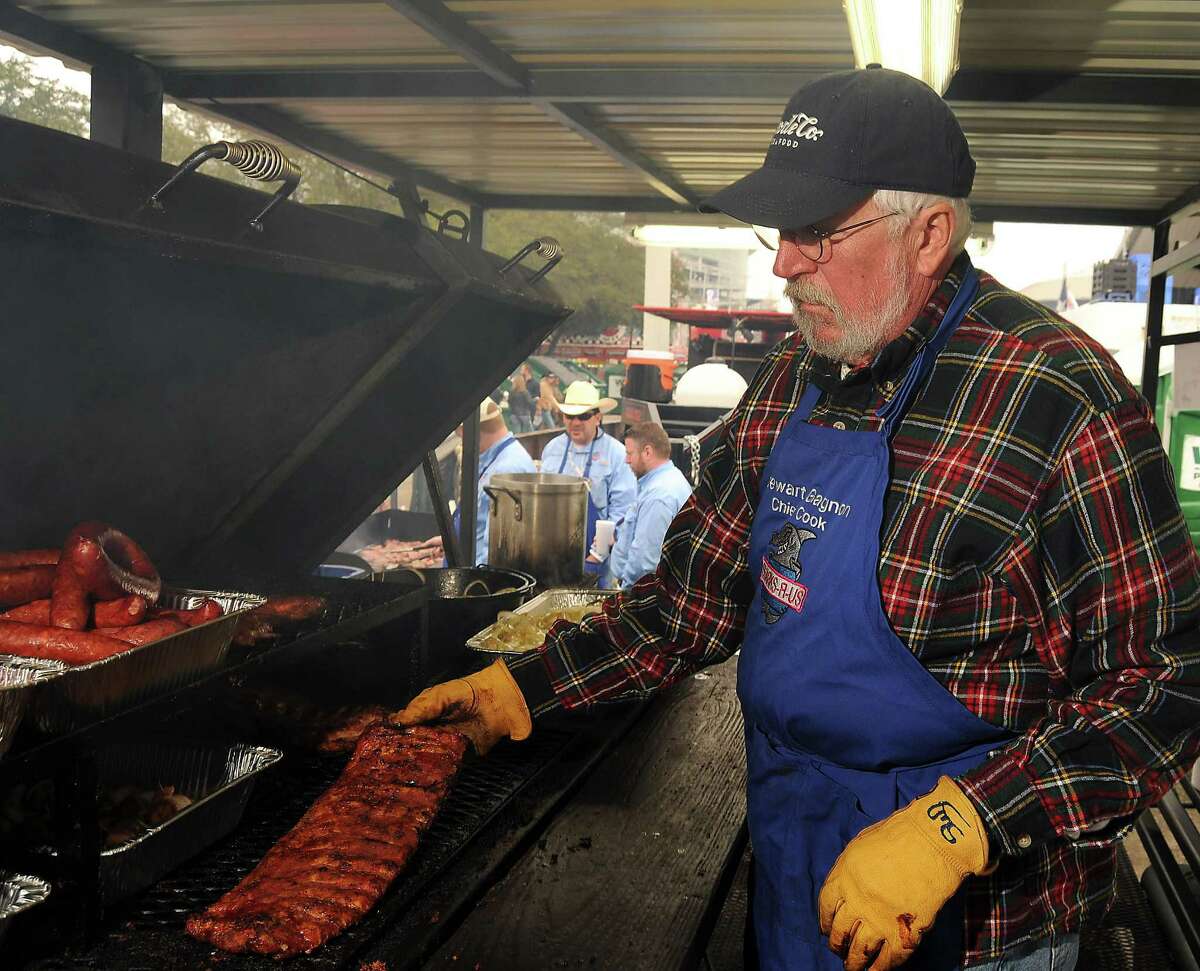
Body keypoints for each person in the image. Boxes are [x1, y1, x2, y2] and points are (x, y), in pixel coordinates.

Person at [395, 66, 1200, 971]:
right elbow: (688, 601)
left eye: (816, 231)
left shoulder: (1059, 398)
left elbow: (1167, 684)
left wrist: (960, 825)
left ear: (929, 234)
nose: (783, 263)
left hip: (978, 927)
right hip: (793, 862)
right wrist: (526, 687)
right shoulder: (790, 378)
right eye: (780, 230)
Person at [538, 381, 636, 578]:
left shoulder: (616, 454)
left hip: (596, 560)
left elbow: (622, 511)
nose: (575, 422)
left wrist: (596, 556)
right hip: (551, 554)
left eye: (583, 416)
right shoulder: (552, 449)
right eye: (569, 416)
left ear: (597, 418)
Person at [429, 399, 535, 566]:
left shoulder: (508, 469)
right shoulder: (496, 460)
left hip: (477, 575)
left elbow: (497, 550)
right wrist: (452, 543)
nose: (462, 443)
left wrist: (473, 579)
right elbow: (480, 521)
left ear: (473, 432)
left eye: (461, 437)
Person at [598, 421, 692, 589]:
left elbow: (645, 563)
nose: (626, 460)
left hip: (638, 594)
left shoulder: (659, 496)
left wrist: (626, 595)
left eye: (629, 453)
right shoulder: (667, 479)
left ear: (647, 452)